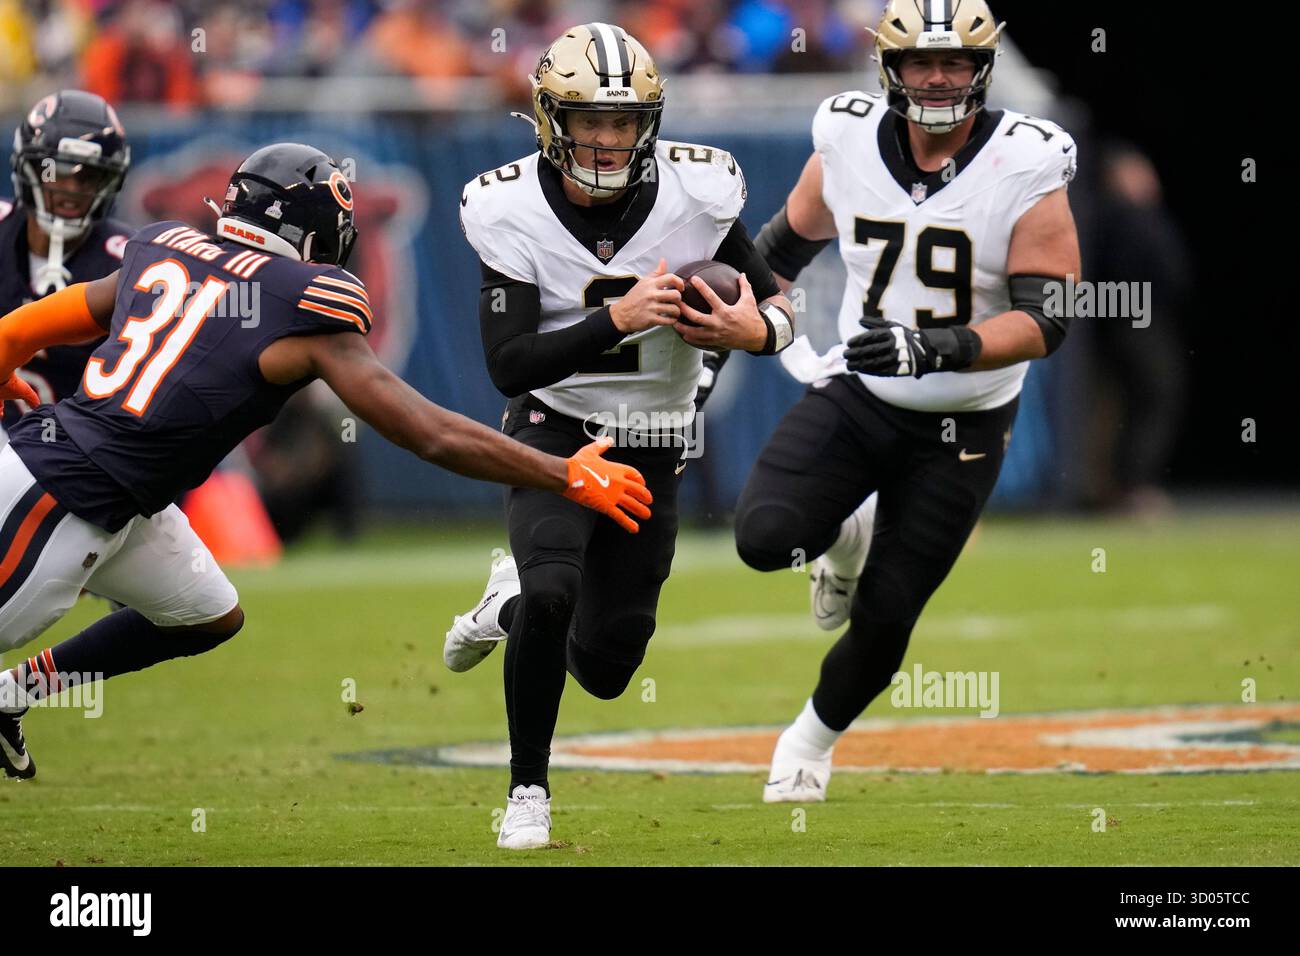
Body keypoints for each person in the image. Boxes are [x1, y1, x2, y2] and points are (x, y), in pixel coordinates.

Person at [0, 142, 652, 781]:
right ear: (318, 235)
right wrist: (567, 472)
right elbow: (429, 433)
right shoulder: (300, 303)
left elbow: (18, 330)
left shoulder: (161, 247)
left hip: (96, 483)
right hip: (65, 498)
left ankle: (12, 695)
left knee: (204, 611)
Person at [452, 22, 794, 848]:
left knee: (608, 666)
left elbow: (777, 301)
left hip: (654, 434)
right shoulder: (507, 205)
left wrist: (759, 334)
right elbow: (509, 364)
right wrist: (616, 318)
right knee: (555, 590)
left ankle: (508, 605)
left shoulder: (700, 194)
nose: (605, 141)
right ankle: (527, 790)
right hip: (553, 426)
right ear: (548, 119)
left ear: (649, 123)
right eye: (587, 120)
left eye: (622, 121)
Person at [735, 0, 1081, 801]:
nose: (936, 78)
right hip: (862, 389)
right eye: (921, 63)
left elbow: (1049, 318)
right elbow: (781, 249)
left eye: (955, 62)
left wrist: (939, 346)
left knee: (888, 618)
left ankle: (810, 739)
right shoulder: (848, 138)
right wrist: (744, 311)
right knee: (765, 536)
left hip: (965, 417)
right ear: (888, 69)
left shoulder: (1027, 161)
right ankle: (843, 543)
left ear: (982, 70)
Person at [1, 90, 132, 436]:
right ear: (27, 167)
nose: (72, 188)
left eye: (89, 177)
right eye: (56, 172)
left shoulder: (131, 258)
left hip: (88, 453)